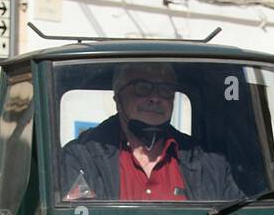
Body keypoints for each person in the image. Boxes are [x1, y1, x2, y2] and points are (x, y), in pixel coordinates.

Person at [60, 62, 243, 202]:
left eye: (166, 90)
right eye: (142, 88)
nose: (155, 98)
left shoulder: (211, 164)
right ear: (118, 97)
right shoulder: (81, 157)